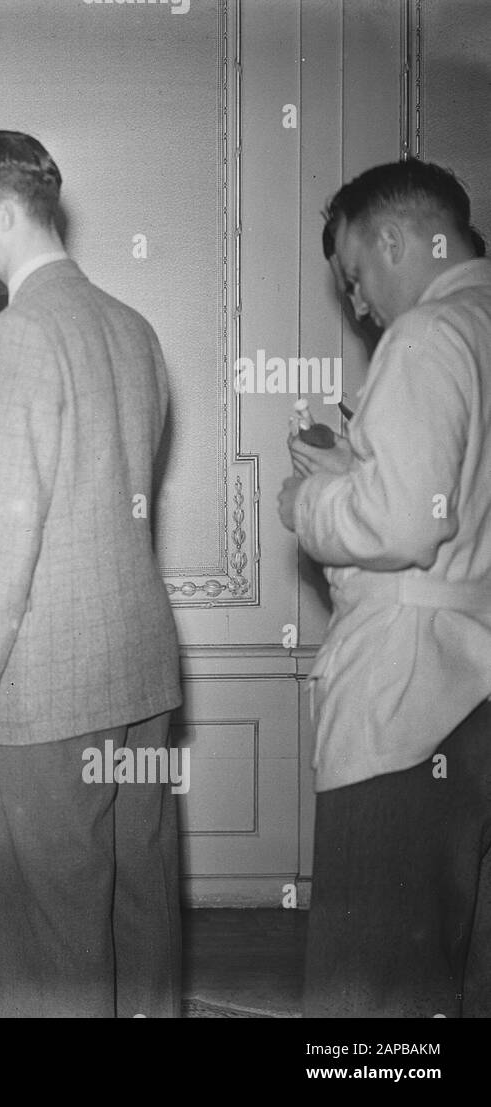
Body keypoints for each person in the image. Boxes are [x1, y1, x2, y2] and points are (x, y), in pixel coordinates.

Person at [0, 132, 183, 1018]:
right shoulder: (132, 324)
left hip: (47, 679)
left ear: (3, 212)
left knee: (50, 924)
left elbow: (10, 530)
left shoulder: (20, 331)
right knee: (141, 899)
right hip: (139, 661)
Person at [281, 159, 491, 1017]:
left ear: (397, 239)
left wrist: (311, 499)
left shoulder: (427, 333)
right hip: (473, 692)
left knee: (367, 984)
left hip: (406, 702)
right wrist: (360, 465)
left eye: (356, 276)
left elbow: (406, 526)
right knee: (453, 965)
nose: (361, 305)